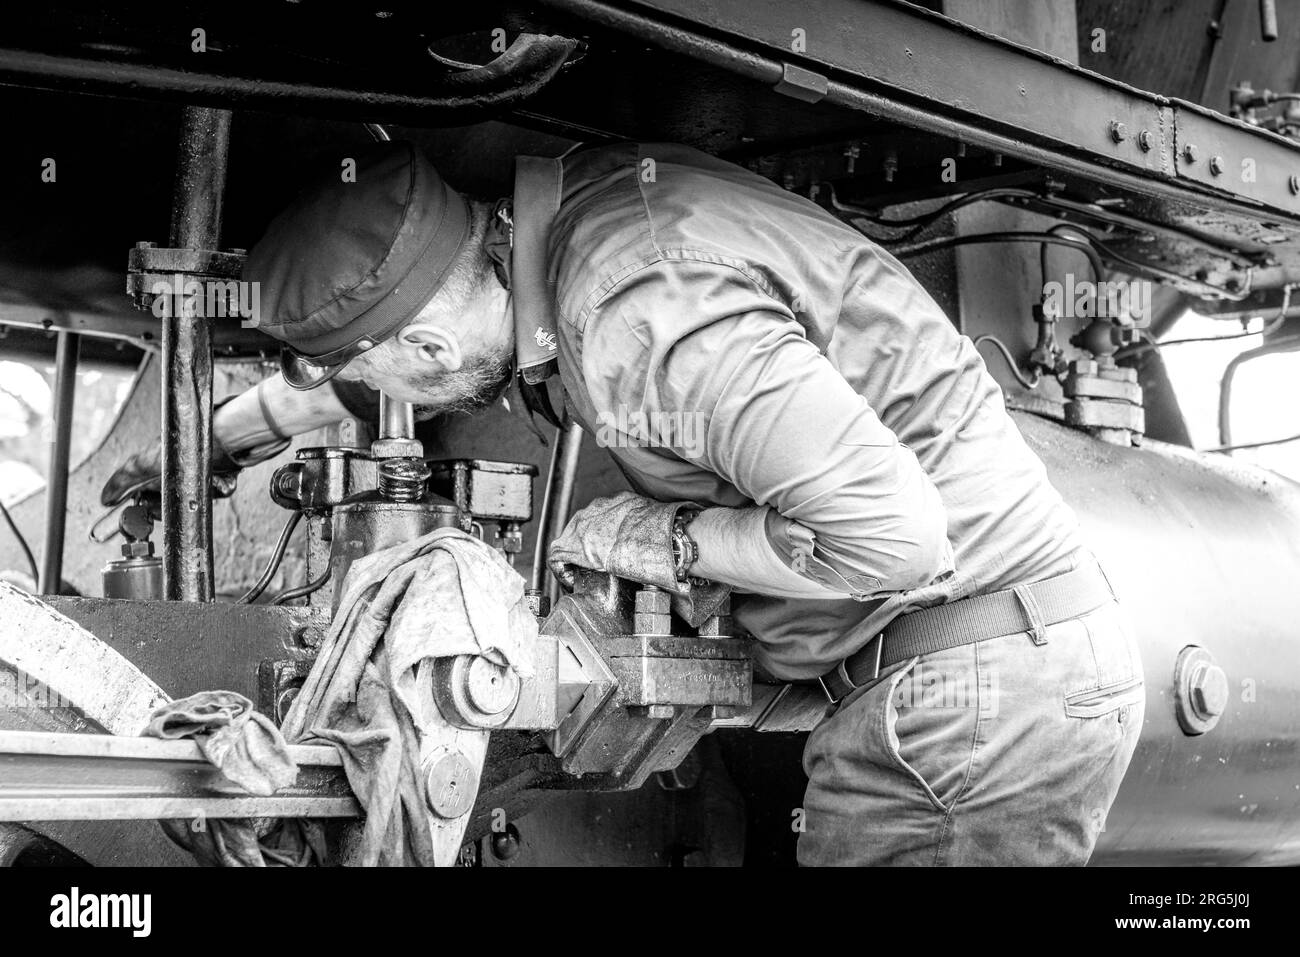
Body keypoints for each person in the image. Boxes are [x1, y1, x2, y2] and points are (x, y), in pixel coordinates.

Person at [105, 140, 1145, 865]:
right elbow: (392, 350)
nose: (398, 409)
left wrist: (670, 540)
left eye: (397, 385)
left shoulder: (638, 312)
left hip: (967, 701)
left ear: (421, 348)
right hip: (946, 676)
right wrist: (225, 435)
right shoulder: (566, 223)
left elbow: (891, 542)